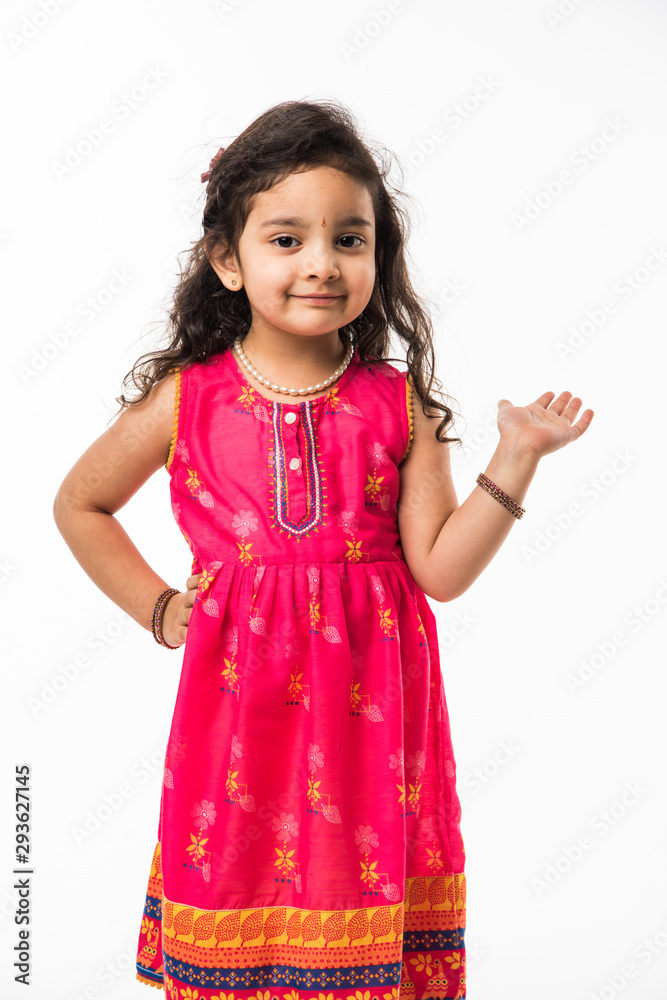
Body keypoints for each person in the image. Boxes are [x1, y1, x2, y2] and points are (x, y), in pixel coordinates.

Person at [53, 99, 593, 1000]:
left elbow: (442, 573)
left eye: (349, 240)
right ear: (228, 260)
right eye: (285, 239)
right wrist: (159, 608)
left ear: (378, 259)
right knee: (238, 876)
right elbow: (81, 504)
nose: (319, 265)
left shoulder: (400, 403)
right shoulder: (188, 399)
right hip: (238, 709)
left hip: (373, 712)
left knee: (360, 886)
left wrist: (517, 457)